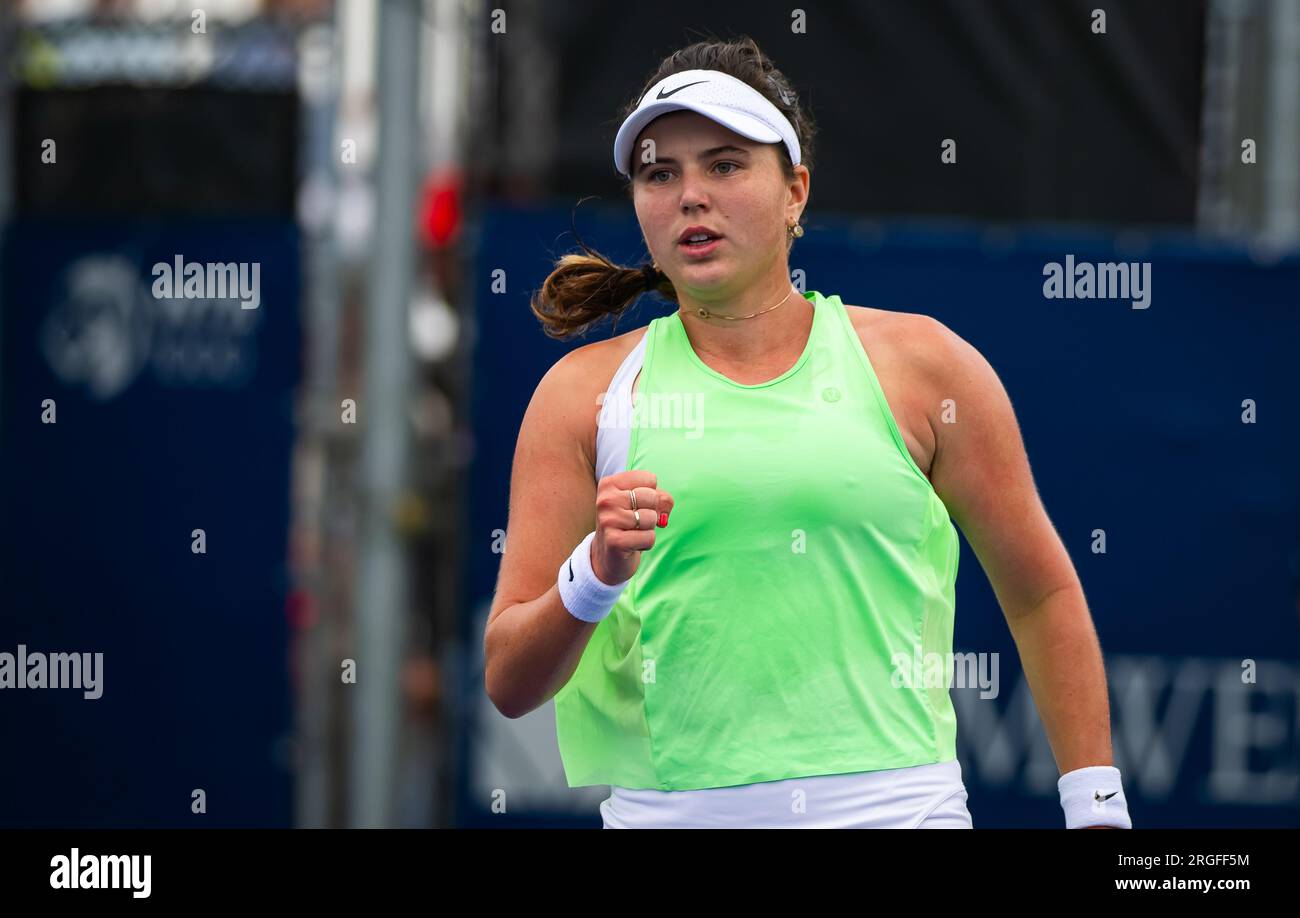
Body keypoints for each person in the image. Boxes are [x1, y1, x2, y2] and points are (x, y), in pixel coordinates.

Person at [484, 36, 1131, 829]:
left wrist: (1098, 810)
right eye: (661, 173)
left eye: (724, 165)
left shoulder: (928, 368)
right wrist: (594, 571)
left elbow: (1041, 593)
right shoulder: (581, 396)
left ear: (795, 191)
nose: (691, 195)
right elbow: (510, 681)